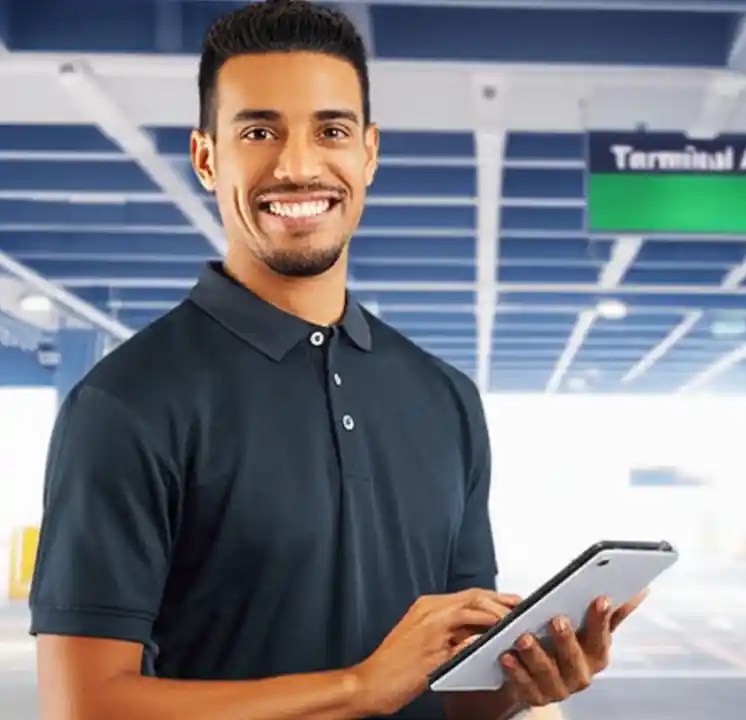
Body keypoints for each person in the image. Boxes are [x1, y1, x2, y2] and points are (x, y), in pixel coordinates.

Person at [27, 1, 644, 718]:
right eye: (259, 131)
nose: (297, 165)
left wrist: (525, 683)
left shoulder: (445, 398)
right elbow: (83, 706)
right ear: (206, 157)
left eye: (332, 131)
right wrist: (357, 689)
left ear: (369, 153)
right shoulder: (127, 403)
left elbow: (451, 695)